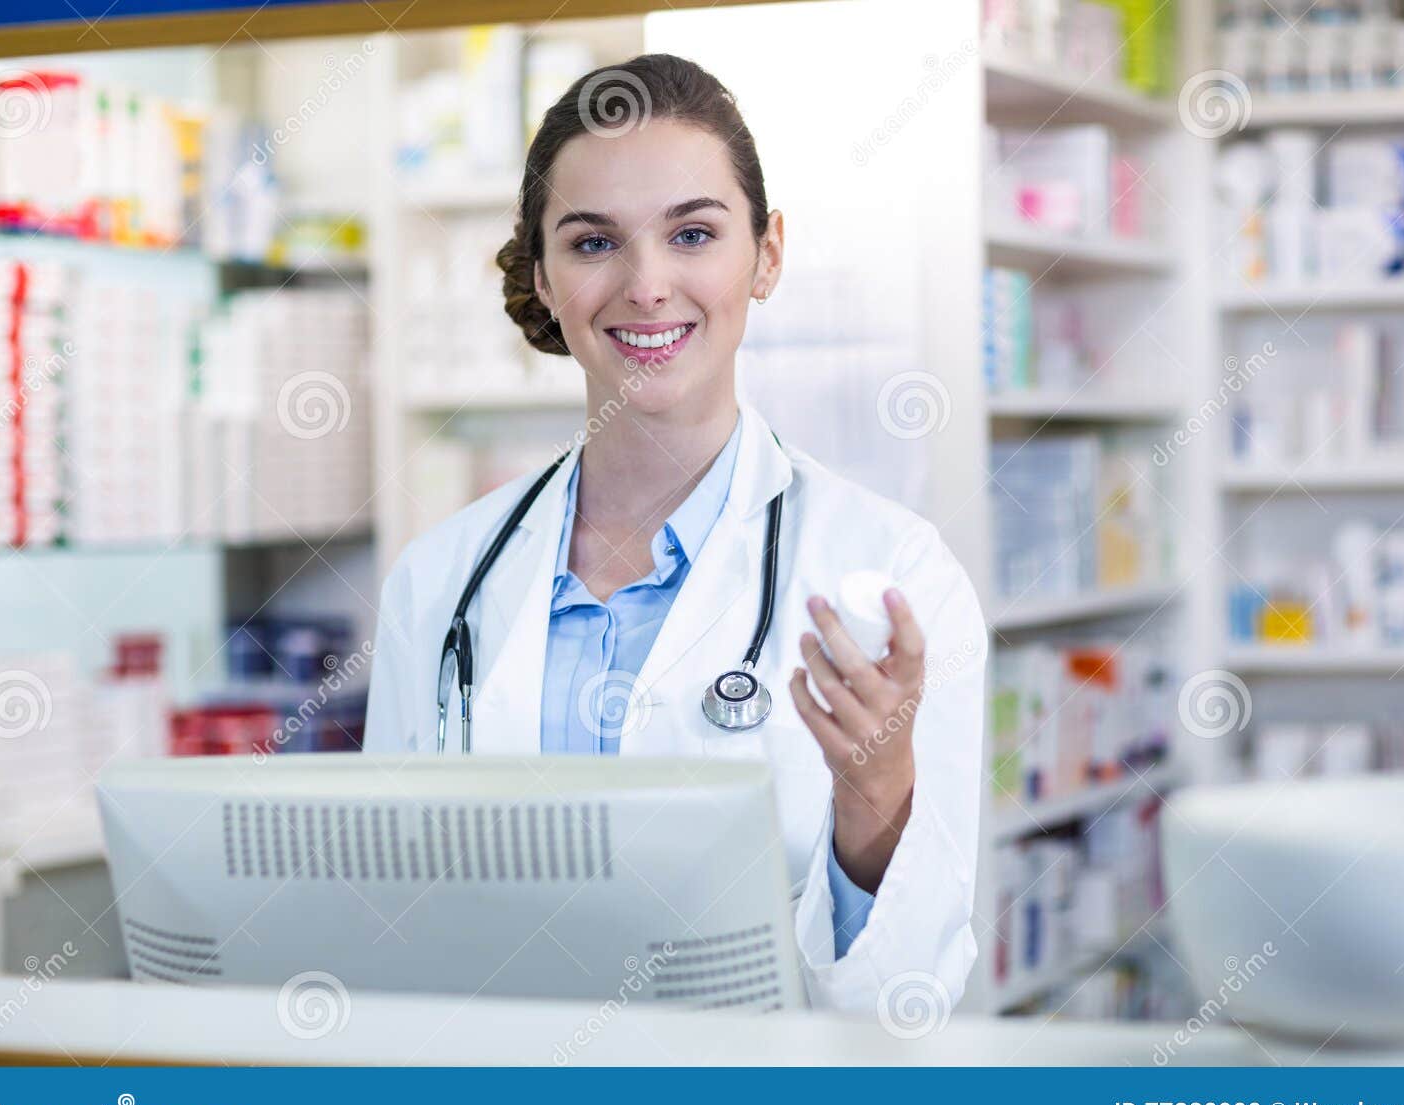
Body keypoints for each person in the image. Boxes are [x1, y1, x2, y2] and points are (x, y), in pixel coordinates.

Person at [364, 53, 987, 1015]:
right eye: (593, 243)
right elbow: (380, 919)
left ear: (766, 255)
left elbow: (910, 998)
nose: (647, 286)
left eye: (692, 233)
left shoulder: (894, 574)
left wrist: (876, 797)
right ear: (542, 270)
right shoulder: (440, 580)